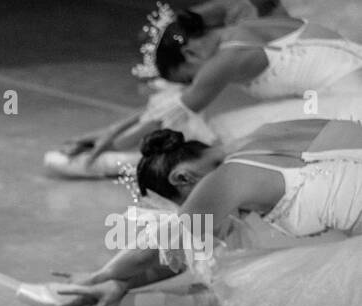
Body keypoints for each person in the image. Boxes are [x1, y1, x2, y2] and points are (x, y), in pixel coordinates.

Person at [20, 121, 362, 306]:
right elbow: (182, 249)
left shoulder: (222, 182)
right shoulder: (268, 132)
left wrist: (99, 276)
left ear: (182, 177)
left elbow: (153, 251)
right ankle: (108, 302)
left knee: (254, 291)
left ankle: (100, 302)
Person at [46, 5, 362, 179]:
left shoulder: (225, 59)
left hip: (350, 107)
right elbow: (169, 105)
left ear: (192, 56)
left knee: (225, 134)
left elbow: (162, 119)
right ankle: (134, 160)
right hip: (341, 90)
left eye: (188, 77)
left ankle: (112, 163)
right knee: (221, 126)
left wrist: (106, 141)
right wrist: (112, 128)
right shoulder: (243, 15)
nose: (192, 83)